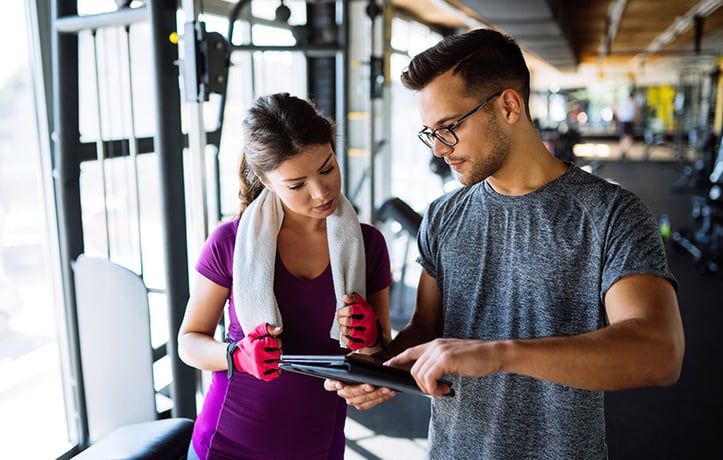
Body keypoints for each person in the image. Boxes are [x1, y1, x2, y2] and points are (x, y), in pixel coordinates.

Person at [325, 28, 684, 459]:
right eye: (430, 133)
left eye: (449, 127)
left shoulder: (611, 214)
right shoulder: (443, 215)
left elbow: (659, 352)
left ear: (509, 105)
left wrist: (499, 354)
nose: (439, 149)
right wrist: (376, 369)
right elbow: (426, 330)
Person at [178, 92, 393, 460]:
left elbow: (379, 354)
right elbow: (189, 342)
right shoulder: (230, 242)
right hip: (227, 445)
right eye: (296, 185)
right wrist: (236, 356)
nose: (320, 191)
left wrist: (370, 338)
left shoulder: (368, 244)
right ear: (266, 180)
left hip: (318, 446)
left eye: (327, 168)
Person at [616, 90, 639, 159]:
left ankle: (623, 151)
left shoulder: (624, 102)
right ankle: (625, 152)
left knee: (624, 137)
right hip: (628, 121)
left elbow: (617, 111)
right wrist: (636, 121)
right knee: (628, 137)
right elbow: (636, 112)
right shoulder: (633, 102)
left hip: (622, 121)